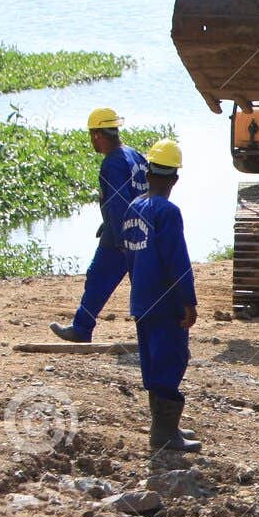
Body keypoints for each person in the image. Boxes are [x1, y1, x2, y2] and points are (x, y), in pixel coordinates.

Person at [124, 139, 200, 455]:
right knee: (171, 360)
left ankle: (164, 427)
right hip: (166, 303)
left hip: (142, 300)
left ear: (148, 173)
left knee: (153, 361)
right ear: (175, 179)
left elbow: (130, 256)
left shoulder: (133, 207)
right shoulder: (168, 212)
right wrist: (189, 301)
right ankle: (165, 434)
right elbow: (176, 261)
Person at [51, 108, 148, 343]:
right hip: (143, 230)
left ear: (97, 134)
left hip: (122, 235)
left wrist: (120, 239)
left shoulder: (112, 163)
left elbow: (118, 202)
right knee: (145, 287)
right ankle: (155, 336)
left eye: (91, 136)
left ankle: (81, 329)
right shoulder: (134, 155)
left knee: (98, 278)